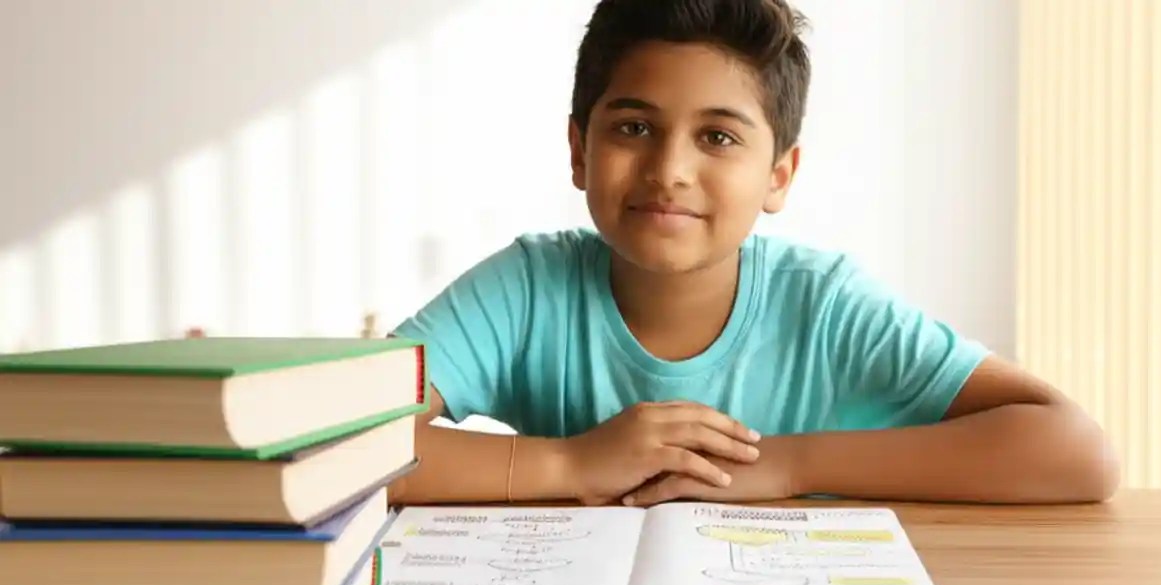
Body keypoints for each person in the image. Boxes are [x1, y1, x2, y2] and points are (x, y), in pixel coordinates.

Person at [388, 0, 1119, 508]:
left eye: (718, 137)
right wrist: (570, 463)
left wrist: (786, 465)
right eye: (634, 128)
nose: (670, 169)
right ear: (579, 149)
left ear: (779, 175)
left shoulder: (824, 304)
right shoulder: (527, 288)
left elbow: (1077, 451)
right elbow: (330, 444)